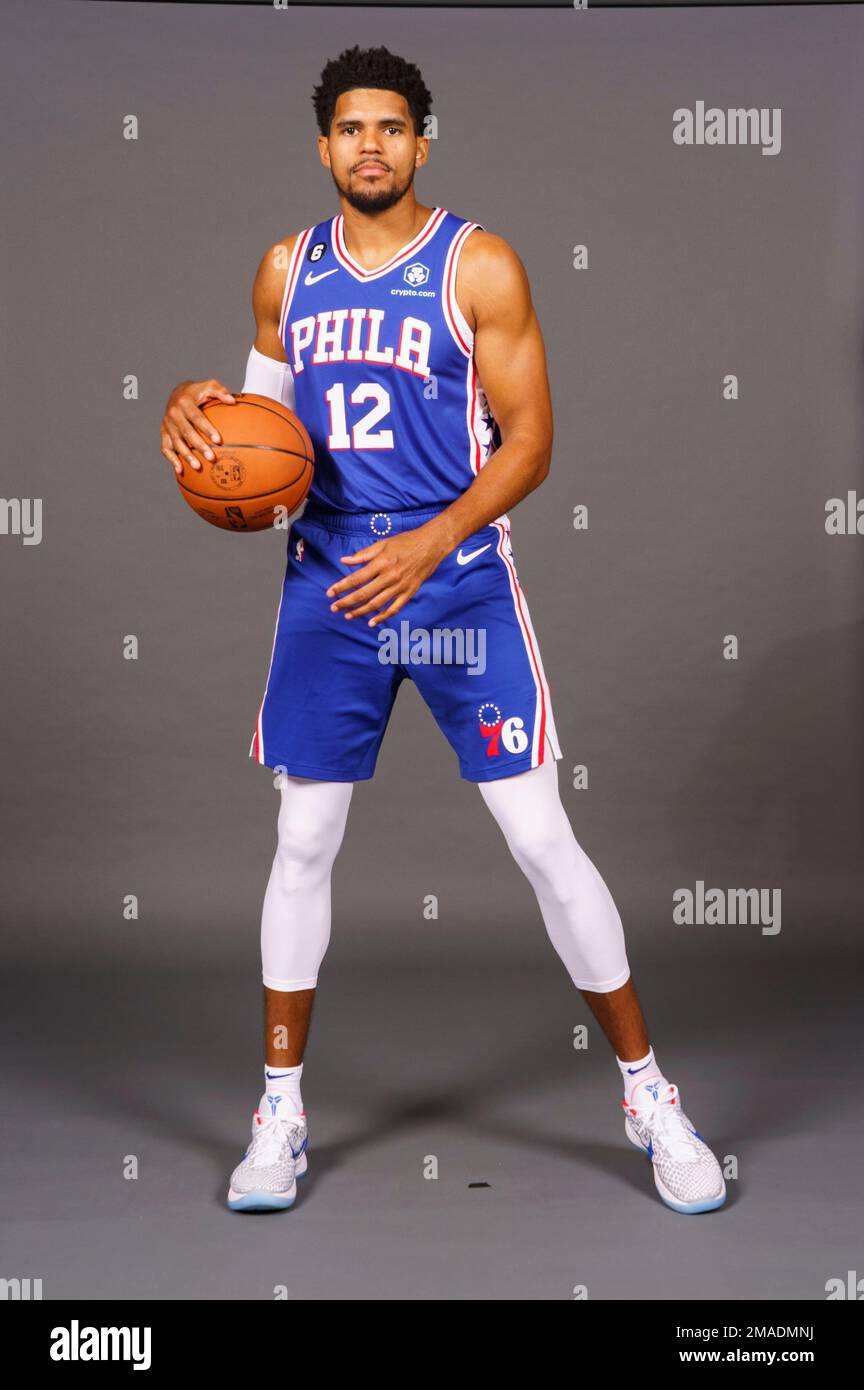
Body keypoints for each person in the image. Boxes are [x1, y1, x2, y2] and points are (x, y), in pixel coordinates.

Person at [160, 45, 726, 1217]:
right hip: (330, 585)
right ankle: (280, 1108)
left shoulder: (480, 266)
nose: (371, 145)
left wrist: (430, 538)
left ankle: (649, 1092)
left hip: (456, 582)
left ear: (424, 140)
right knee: (304, 839)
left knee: (536, 835)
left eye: (392, 127)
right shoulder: (284, 270)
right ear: (323, 147)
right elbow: (257, 442)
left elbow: (529, 442)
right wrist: (194, 414)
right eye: (351, 129)